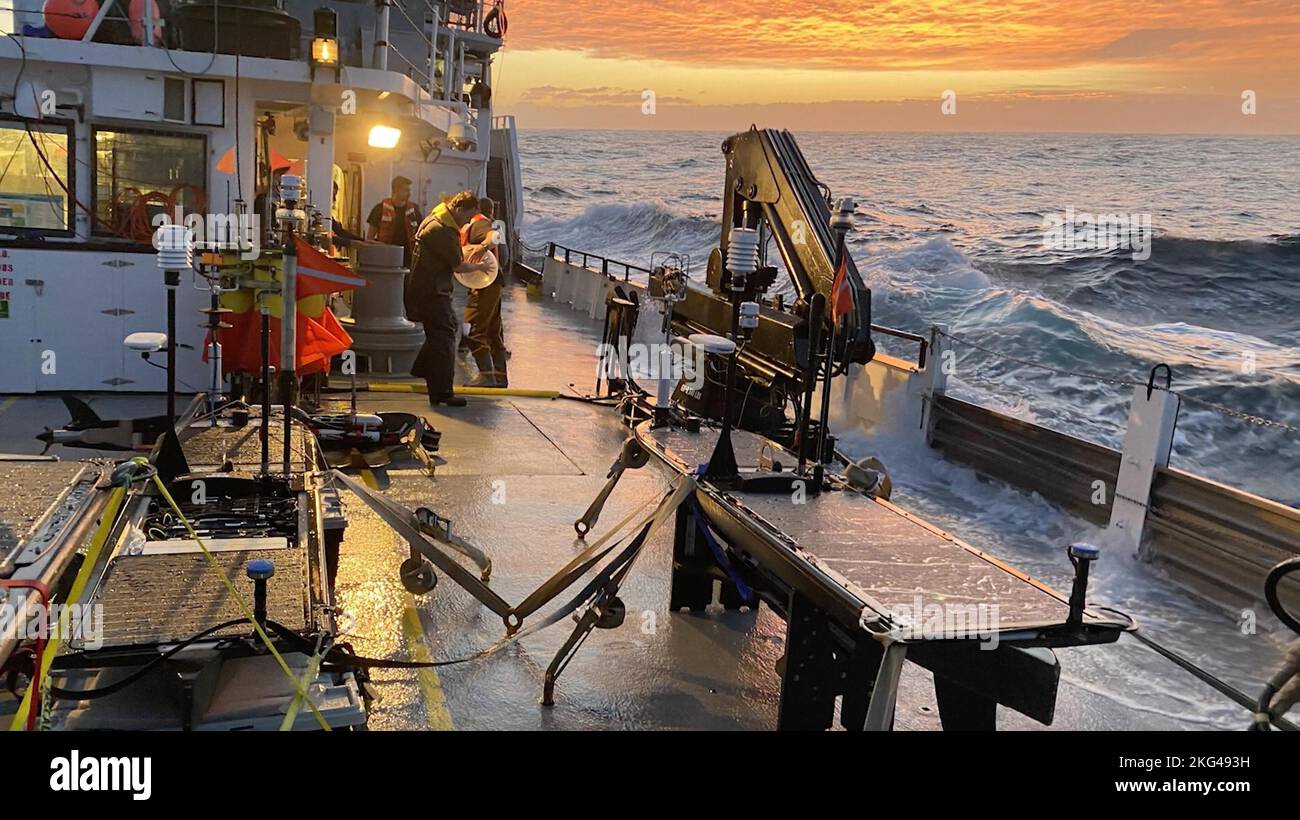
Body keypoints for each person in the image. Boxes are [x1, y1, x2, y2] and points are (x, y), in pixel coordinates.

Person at [405, 191, 494, 407]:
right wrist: (482, 266)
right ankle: (442, 392)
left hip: (428, 289)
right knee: (445, 337)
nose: (466, 222)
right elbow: (459, 266)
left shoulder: (435, 219)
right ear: (459, 209)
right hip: (431, 291)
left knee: (446, 330)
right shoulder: (441, 231)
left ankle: (422, 368)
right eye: (467, 217)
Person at [460, 197, 508, 387]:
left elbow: (493, 238)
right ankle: (500, 375)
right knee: (493, 331)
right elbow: (503, 255)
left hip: (485, 286)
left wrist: (481, 247)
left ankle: (487, 376)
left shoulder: (478, 224)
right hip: (494, 283)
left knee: (473, 328)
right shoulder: (487, 222)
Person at [366, 176, 421, 267]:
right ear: (396, 190)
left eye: (410, 190)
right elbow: (370, 236)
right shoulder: (379, 209)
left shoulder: (414, 210)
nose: (409, 194)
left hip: (408, 259)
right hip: (385, 258)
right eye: (406, 190)